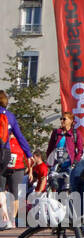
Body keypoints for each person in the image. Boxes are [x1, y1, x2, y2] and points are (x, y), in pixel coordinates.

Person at [0, 90, 33, 230]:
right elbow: (20, 136)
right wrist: (29, 153)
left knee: (1, 188)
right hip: (5, 153)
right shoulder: (10, 116)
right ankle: (8, 219)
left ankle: (5, 217)